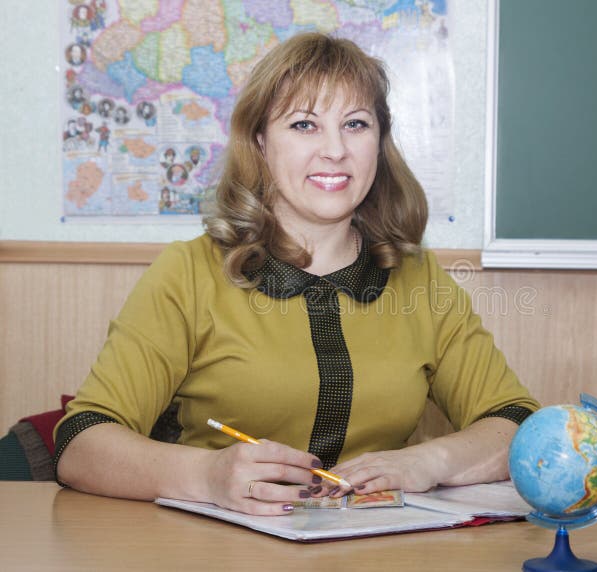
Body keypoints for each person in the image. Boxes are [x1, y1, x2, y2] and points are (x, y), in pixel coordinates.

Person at [54, 33, 539, 517]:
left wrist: (429, 460)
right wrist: (207, 476)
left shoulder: (419, 278)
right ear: (261, 142)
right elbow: (81, 443)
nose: (335, 150)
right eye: (305, 124)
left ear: (379, 142)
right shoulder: (189, 272)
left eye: (355, 124)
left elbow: (518, 423)